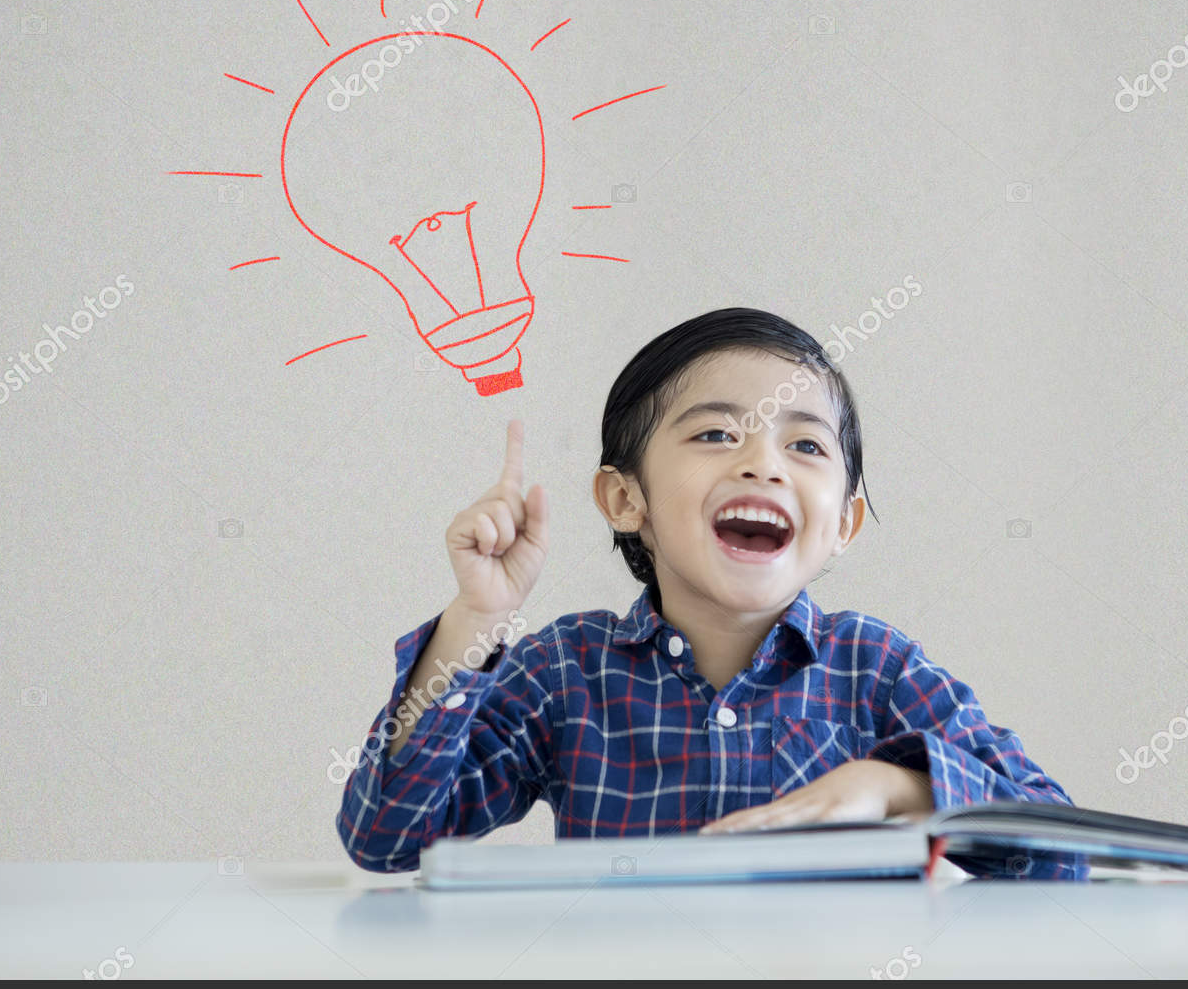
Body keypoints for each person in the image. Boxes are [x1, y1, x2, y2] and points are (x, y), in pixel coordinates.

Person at [336, 307, 1075, 874]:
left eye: (806, 445)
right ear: (627, 501)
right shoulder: (566, 670)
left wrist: (898, 788)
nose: (765, 464)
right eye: (717, 435)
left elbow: (1064, 843)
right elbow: (388, 836)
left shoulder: (878, 669)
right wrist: (476, 618)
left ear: (845, 522)